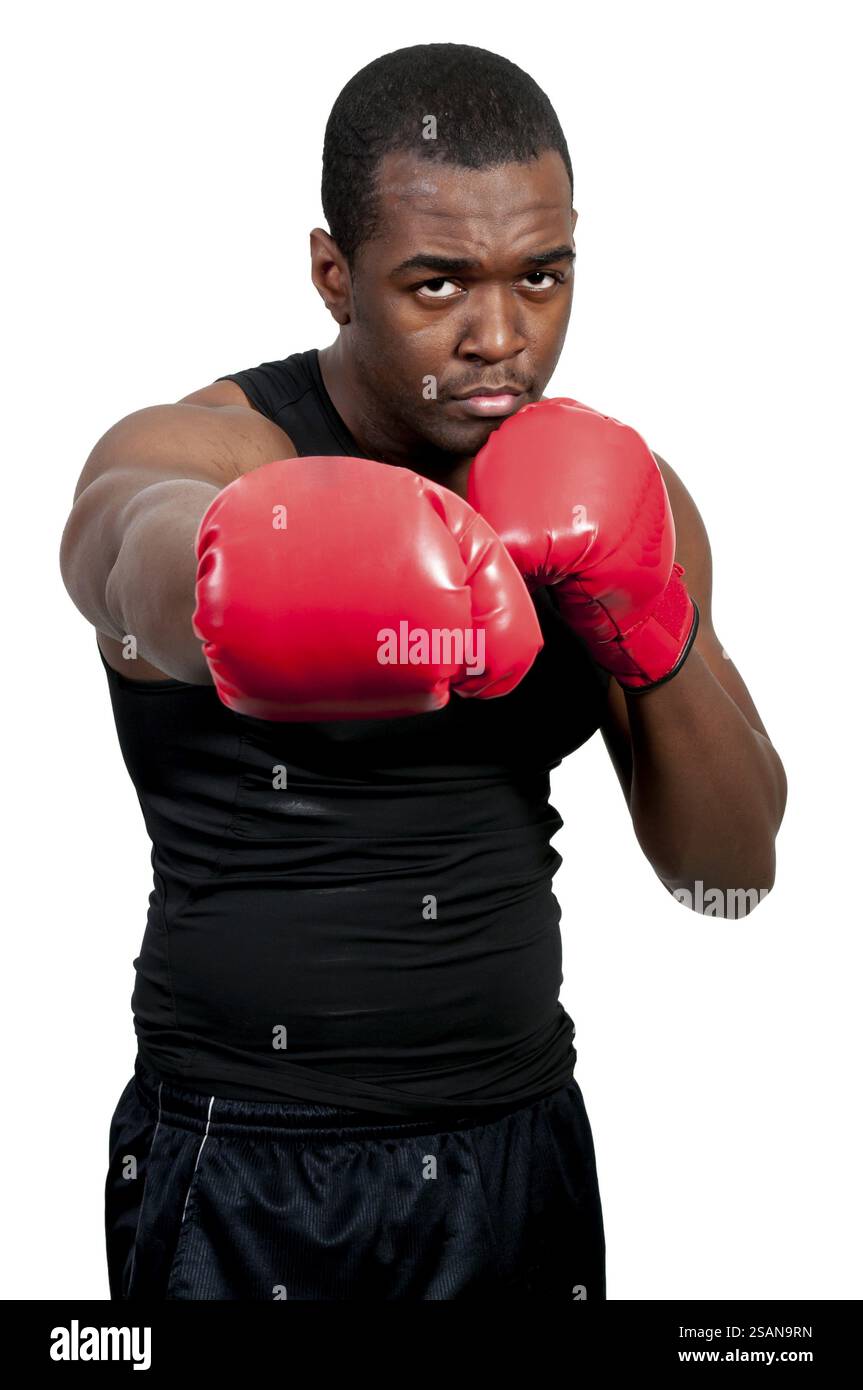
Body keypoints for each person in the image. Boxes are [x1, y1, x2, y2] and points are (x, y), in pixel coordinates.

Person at [60, 43, 787, 1301]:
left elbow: (727, 872)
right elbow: (125, 550)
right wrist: (286, 564)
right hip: (245, 1154)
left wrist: (648, 624)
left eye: (541, 278)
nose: (500, 337)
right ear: (332, 274)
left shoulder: (618, 493)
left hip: (516, 1148)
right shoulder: (214, 445)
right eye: (436, 283)